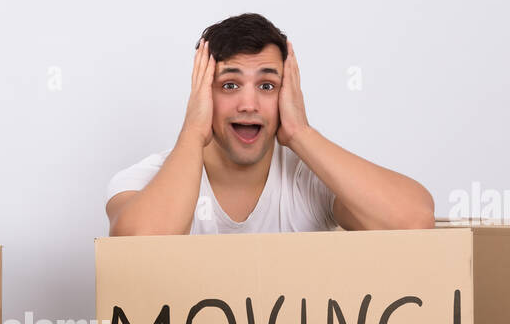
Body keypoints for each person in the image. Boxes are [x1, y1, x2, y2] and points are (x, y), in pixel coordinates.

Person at [106, 13, 434, 236]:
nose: (248, 104)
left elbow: (414, 221)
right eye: (229, 85)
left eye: (267, 86)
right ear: (203, 94)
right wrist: (192, 132)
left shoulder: (309, 178)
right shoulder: (147, 178)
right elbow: (137, 247)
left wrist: (301, 133)